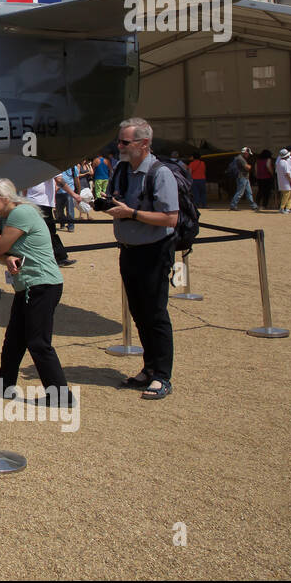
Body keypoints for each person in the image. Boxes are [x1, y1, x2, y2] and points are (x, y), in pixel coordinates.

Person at [102, 117, 179, 400]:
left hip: (155, 251)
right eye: (119, 141)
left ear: (143, 144)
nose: (119, 146)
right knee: (138, 312)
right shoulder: (121, 169)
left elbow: (170, 217)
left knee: (155, 313)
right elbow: (117, 201)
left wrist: (131, 214)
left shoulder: (160, 174)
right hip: (129, 250)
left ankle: (162, 375)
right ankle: (149, 368)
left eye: (125, 142)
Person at [0, 178, 72, 405]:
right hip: (28, 285)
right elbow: (3, 253)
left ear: (5, 198)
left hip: (42, 284)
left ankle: (61, 395)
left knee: (38, 342)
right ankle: (4, 386)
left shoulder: (20, 215)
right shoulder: (5, 218)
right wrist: (7, 255)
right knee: (14, 340)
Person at [25, 176, 76, 267]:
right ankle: (60, 257)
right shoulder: (51, 164)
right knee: (49, 231)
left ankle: (58, 257)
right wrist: (73, 194)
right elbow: (59, 180)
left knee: (36, 231)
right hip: (41, 203)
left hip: (34, 201)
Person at [229, 147, 258, 211]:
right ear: (245, 153)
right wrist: (250, 166)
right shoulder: (240, 158)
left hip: (245, 177)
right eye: (248, 154)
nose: (249, 155)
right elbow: (247, 167)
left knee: (249, 192)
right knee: (240, 192)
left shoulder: (240, 158)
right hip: (242, 177)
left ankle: (253, 206)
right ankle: (233, 205)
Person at [275, 148, 291, 214]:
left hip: (282, 182)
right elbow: (287, 173)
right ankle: (282, 208)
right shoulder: (285, 163)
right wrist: (290, 181)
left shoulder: (279, 163)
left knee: (288, 195)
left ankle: (288, 208)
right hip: (286, 182)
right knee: (286, 195)